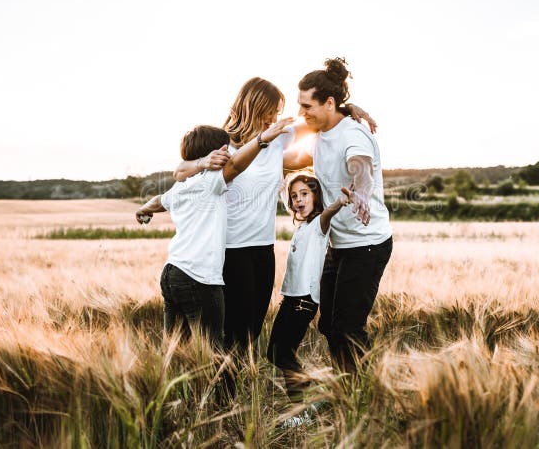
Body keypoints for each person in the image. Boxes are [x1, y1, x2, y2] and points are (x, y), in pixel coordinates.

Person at [172, 77, 376, 352]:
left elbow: (321, 117)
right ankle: (222, 392)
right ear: (256, 107)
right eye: (272, 111)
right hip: (231, 249)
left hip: (263, 249)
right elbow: (179, 171)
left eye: (279, 112)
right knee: (236, 332)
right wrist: (202, 162)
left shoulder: (278, 138)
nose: (276, 118)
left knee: (253, 329)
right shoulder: (222, 142)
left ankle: (230, 387)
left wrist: (348, 107)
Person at [135, 118, 292, 345]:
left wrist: (142, 209)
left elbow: (159, 201)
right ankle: (221, 382)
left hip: (172, 273)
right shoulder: (210, 181)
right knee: (215, 351)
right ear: (219, 152)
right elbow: (237, 166)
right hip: (200, 279)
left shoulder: (182, 185)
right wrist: (262, 139)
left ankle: (171, 381)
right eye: (227, 149)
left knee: (175, 348)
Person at [284, 57, 393, 372]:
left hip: (367, 245)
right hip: (340, 245)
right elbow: (291, 158)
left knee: (347, 328)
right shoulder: (322, 132)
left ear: (329, 102)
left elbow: (361, 166)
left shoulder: (352, 135)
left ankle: (359, 393)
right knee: (330, 326)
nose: (302, 113)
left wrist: (360, 190)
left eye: (307, 106)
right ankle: (350, 386)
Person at [266, 172, 350, 401]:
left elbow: (328, 213)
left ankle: (303, 402)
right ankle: (309, 393)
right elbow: (285, 192)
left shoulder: (318, 224)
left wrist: (339, 203)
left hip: (304, 302)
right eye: (294, 196)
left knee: (283, 352)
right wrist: (281, 171)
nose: (298, 200)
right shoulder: (302, 224)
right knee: (273, 352)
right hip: (290, 298)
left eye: (304, 194)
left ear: (316, 196)